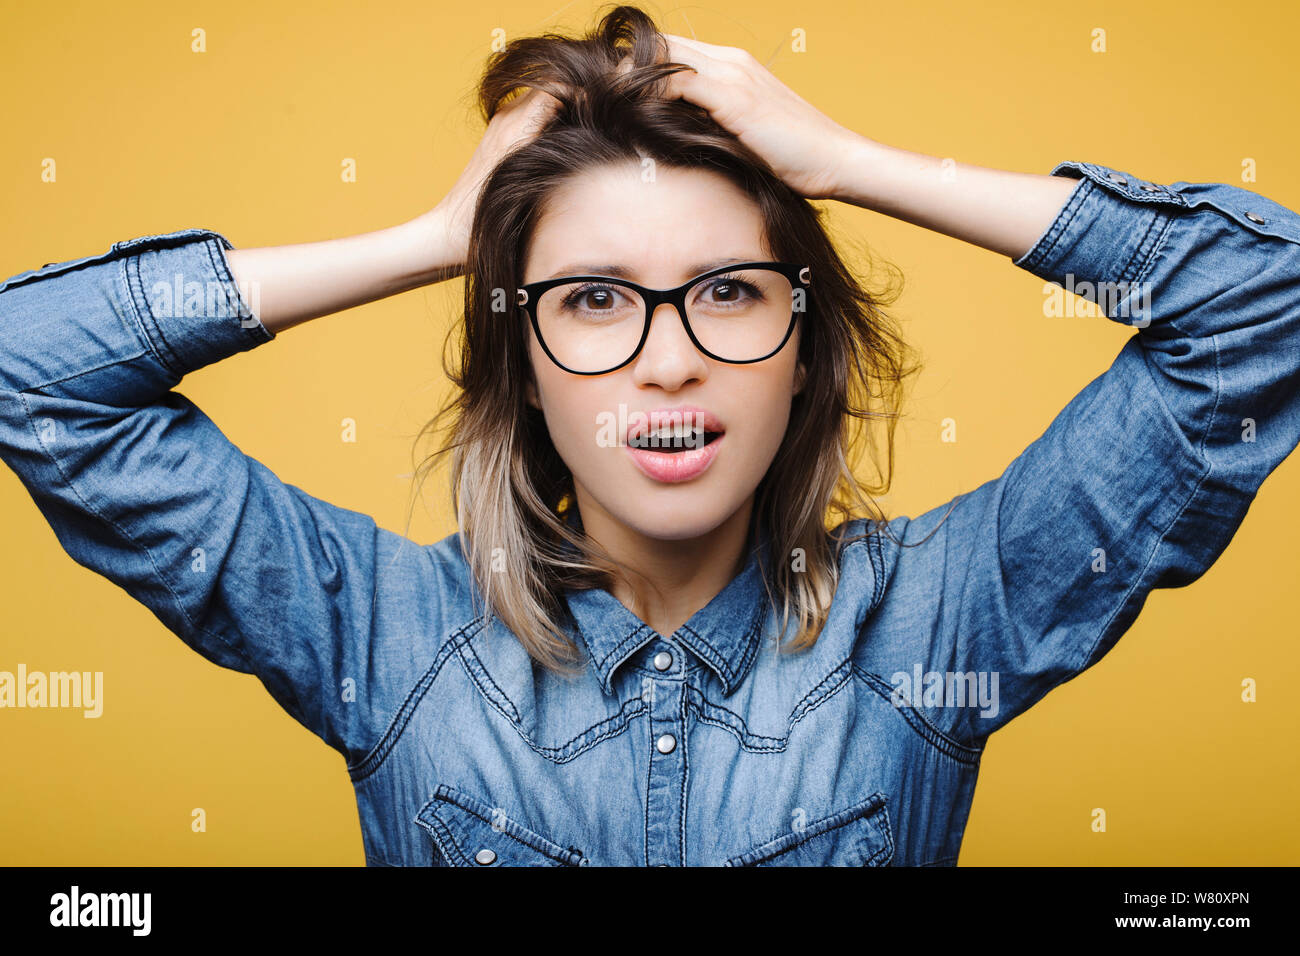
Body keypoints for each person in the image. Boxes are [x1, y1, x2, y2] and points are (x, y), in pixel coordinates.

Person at [2, 5, 1297, 866]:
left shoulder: (941, 619)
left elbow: (1263, 307)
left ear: (805, 354)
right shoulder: (378, 635)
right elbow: (31, 369)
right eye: (594, 299)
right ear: (526, 370)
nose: (668, 355)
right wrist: (437, 241)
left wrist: (851, 163)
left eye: (729, 290)